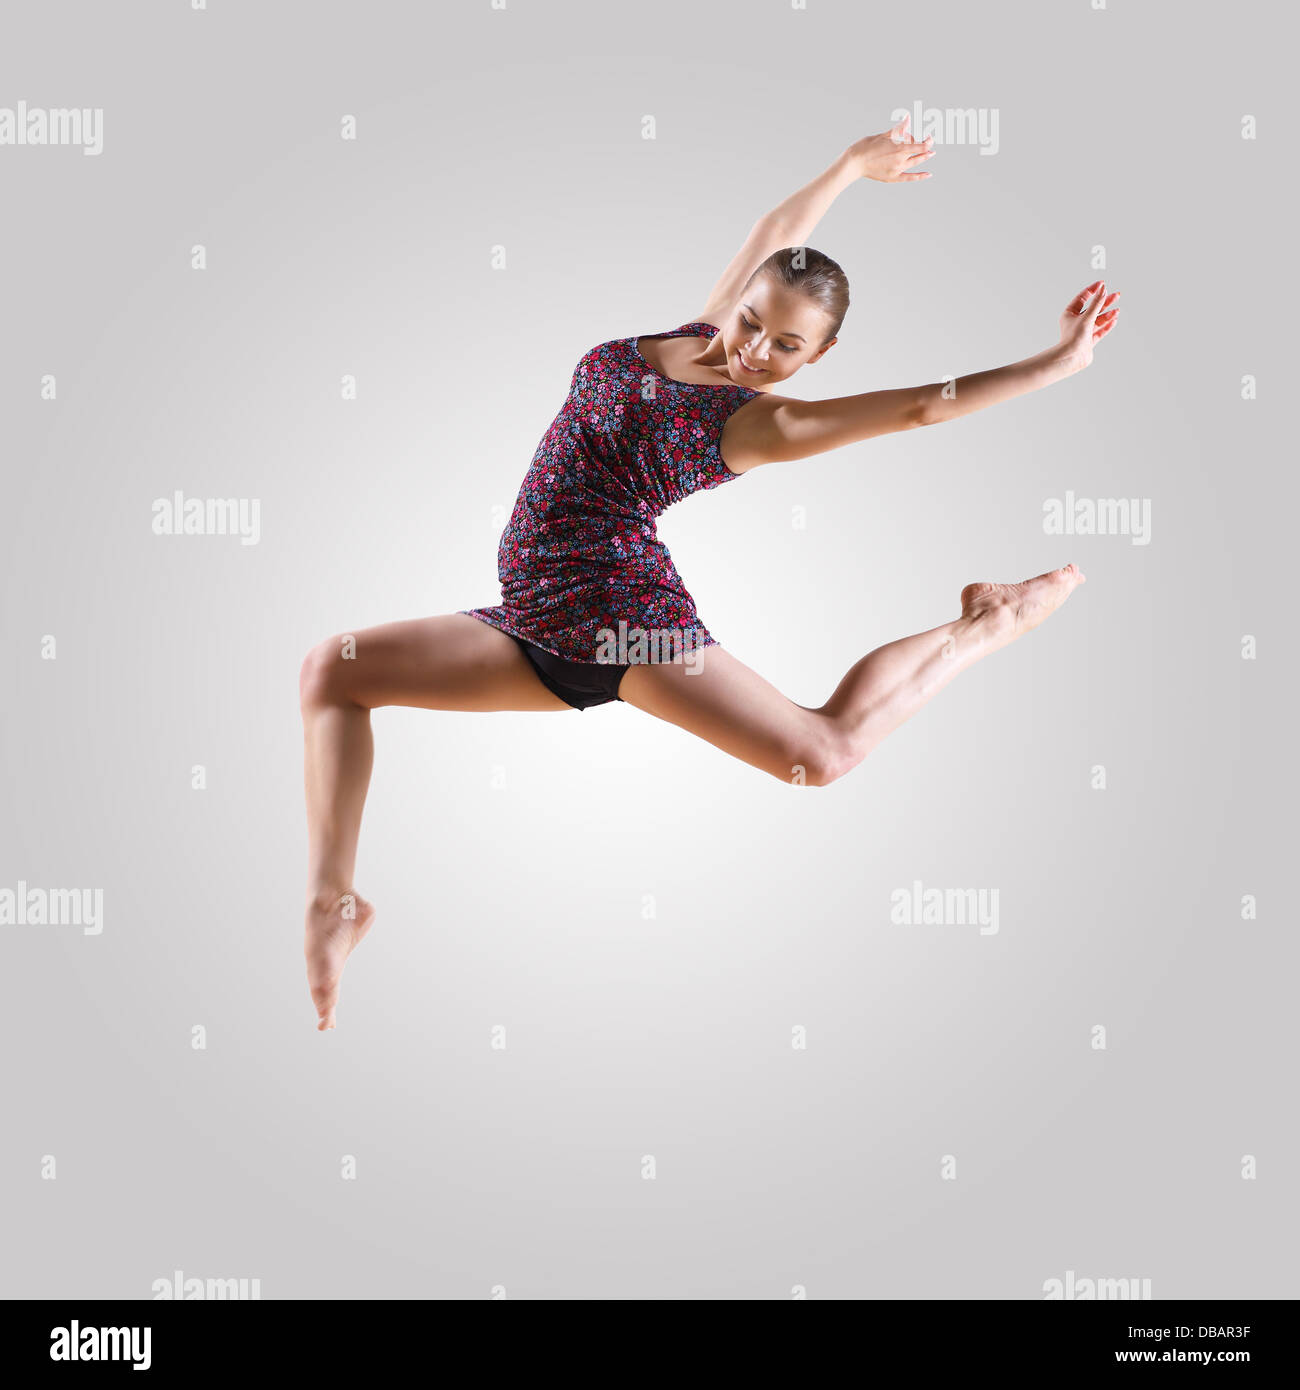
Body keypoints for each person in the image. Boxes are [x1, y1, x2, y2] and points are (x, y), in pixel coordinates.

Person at [299, 115, 1121, 1030]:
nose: (753, 351)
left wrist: (1056, 363)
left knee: (823, 754)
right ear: (739, 301)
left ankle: (988, 622)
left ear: (817, 359)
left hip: (620, 616)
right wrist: (849, 166)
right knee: (333, 671)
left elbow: (924, 410)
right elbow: (776, 236)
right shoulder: (696, 332)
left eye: (785, 348)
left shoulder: (754, 424)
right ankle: (335, 904)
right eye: (752, 322)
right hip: (535, 621)